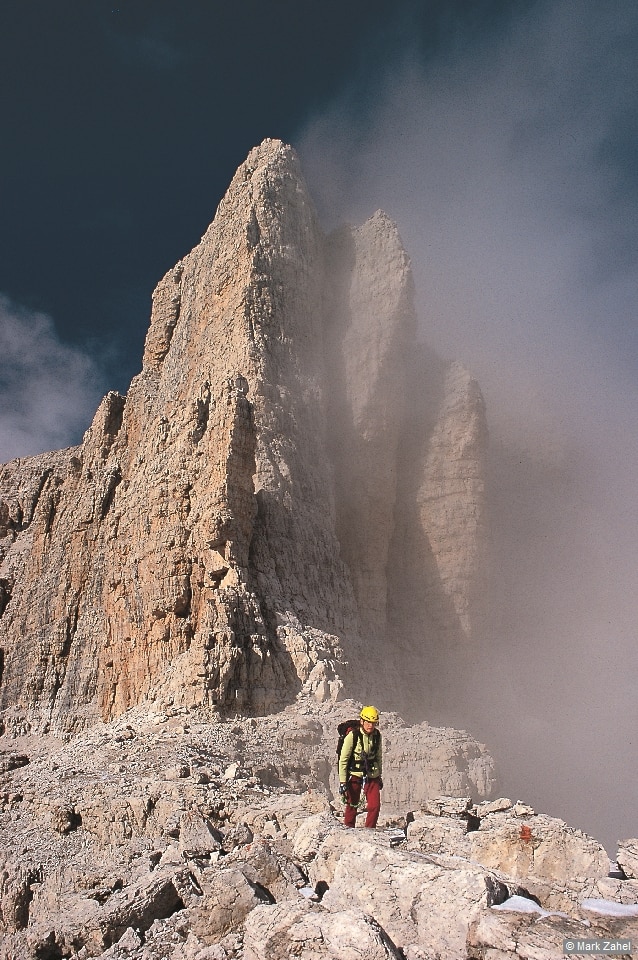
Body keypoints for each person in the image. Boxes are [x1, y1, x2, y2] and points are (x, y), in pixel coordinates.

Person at [338, 705, 383, 828]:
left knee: (375, 806)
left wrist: (379, 776)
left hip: (372, 774)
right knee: (352, 804)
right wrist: (343, 782)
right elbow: (343, 760)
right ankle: (348, 829)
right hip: (355, 774)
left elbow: (378, 757)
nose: (371, 725)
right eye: (368, 722)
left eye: (373, 723)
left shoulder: (377, 736)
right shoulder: (353, 736)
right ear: (362, 721)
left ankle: (369, 830)